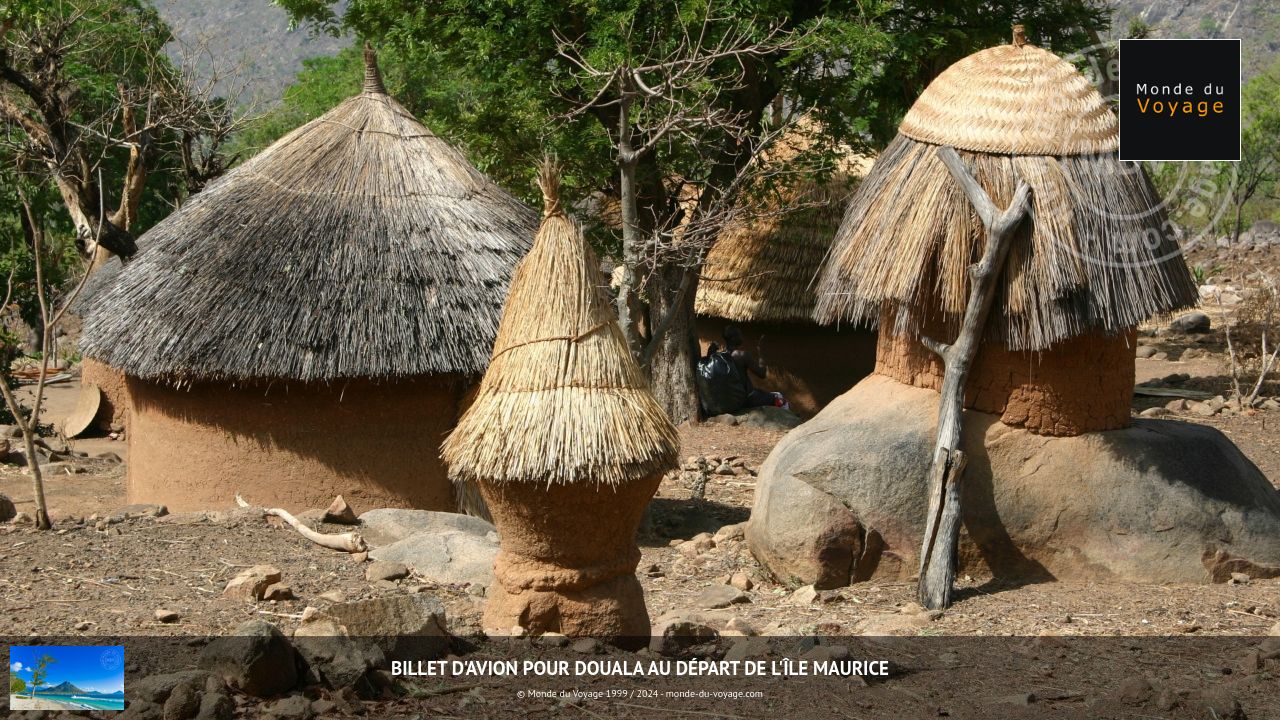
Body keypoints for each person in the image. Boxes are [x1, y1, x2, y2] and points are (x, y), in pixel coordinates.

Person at [721, 325, 786, 410]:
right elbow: (762, 374)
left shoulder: (720, 356)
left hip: (732, 400)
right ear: (733, 339)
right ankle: (790, 422)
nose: (742, 337)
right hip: (747, 399)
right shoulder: (742, 355)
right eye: (739, 335)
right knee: (779, 397)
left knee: (761, 392)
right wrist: (761, 353)